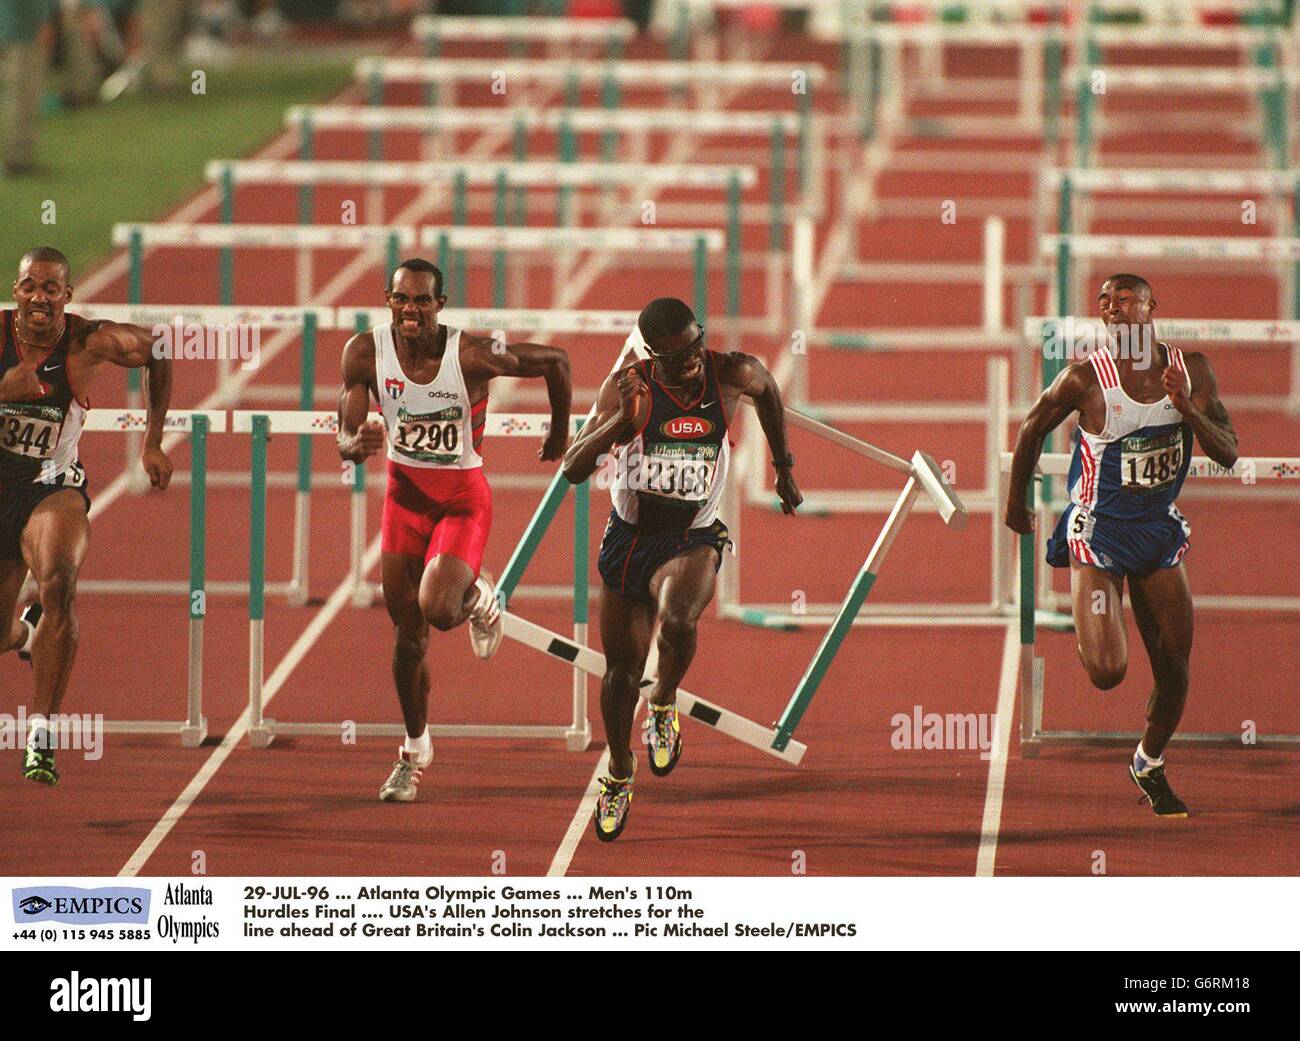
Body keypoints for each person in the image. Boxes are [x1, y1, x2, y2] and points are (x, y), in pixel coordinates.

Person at [563, 297, 802, 841]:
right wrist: (622, 423)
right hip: (631, 537)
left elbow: (768, 392)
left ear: (701, 336)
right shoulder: (627, 388)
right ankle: (621, 773)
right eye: (674, 358)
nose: (690, 361)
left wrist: (782, 466)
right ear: (652, 356)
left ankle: (665, 699)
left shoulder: (731, 372)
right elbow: (575, 469)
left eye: (695, 347)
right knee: (620, 674)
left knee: (677, 621)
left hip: (693, 536)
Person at [336, 258, 572, 804]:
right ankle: (413, 752)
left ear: (441, 305)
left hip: (462, 501)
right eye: (401, 300)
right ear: (387, 300)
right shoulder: (366, 352)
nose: (410, 310)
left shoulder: (469, 354)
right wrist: (353, 446)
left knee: (440, 611)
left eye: (422, 301)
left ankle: (478, 593)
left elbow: (556, 362)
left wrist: (559, 433)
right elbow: (346, 427)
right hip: (403, 502)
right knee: (408, 636)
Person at [1004, 273, 1239, 818]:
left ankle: (1148, 763)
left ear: (1153, 306)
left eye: (1126, 297)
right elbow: (1030, 431)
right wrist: (1017, 504)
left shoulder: (1192, 371)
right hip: (1101, 533)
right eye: (1105, 300)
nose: (1113, 306)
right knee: (1108, 671)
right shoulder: (1086, 380)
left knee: (1176, 668)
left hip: (1156, 531)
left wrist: (1190, 410)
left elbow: (1227, 452)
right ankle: (1094, 612)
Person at [2, 246, 174, 784]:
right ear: (16, 290)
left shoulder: (87, 342)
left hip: (51, 490)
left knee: (58, 583)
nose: (39, 298)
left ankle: (42, 734)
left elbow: (159, 349)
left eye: (51, 288)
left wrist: (152, 440)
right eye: (31, 286)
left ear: (67, 296)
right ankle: (27, 636)